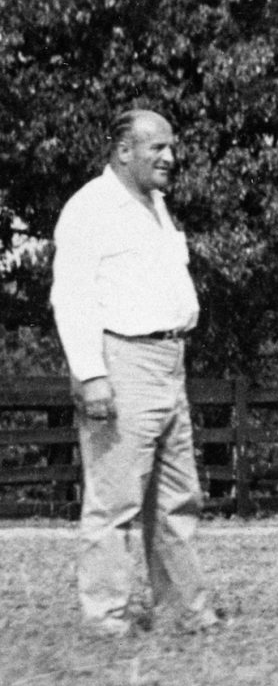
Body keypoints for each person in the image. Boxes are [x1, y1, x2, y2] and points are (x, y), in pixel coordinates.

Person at [49, 109, 218, 638]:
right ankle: (107, 617)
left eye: (171, 148)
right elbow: (71, 297)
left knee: (177, 496)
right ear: (124, 151)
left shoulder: (156, 207)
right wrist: (92, 375)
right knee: (116, 498)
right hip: (123, 360)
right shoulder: (90, 208)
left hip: (170, 362)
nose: (169, 158)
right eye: (157, 149)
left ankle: (188, 610)